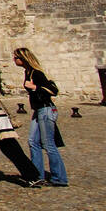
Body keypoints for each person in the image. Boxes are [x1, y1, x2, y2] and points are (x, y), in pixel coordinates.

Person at [15, 47, 68, 187]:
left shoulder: (37, 73)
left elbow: (53, 91)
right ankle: (37, 175)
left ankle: (59, 178)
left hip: (46, 109)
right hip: (38, 110)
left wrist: (35, 87)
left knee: (49, 144)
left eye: (16, 58)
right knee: (33, 142)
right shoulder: (28, 72)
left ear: (23, 59)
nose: (14, 60)